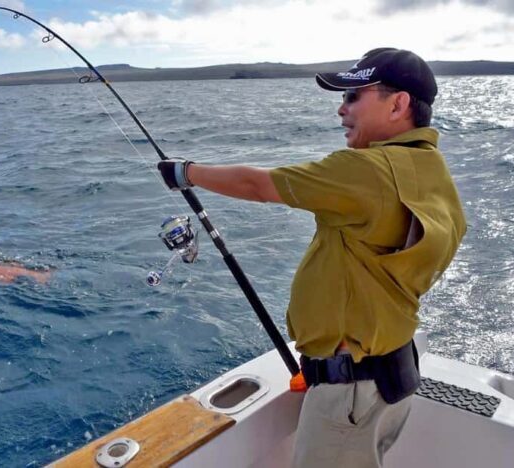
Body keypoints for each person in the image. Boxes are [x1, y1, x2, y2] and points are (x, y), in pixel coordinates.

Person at [158, 48, 466, 467]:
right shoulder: (431, 170)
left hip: (352, 393)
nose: (341, 109)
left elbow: (258, 185)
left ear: (398, 104)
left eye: (355, 97)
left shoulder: (368, 170)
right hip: (391, 377)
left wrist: (185, 173)